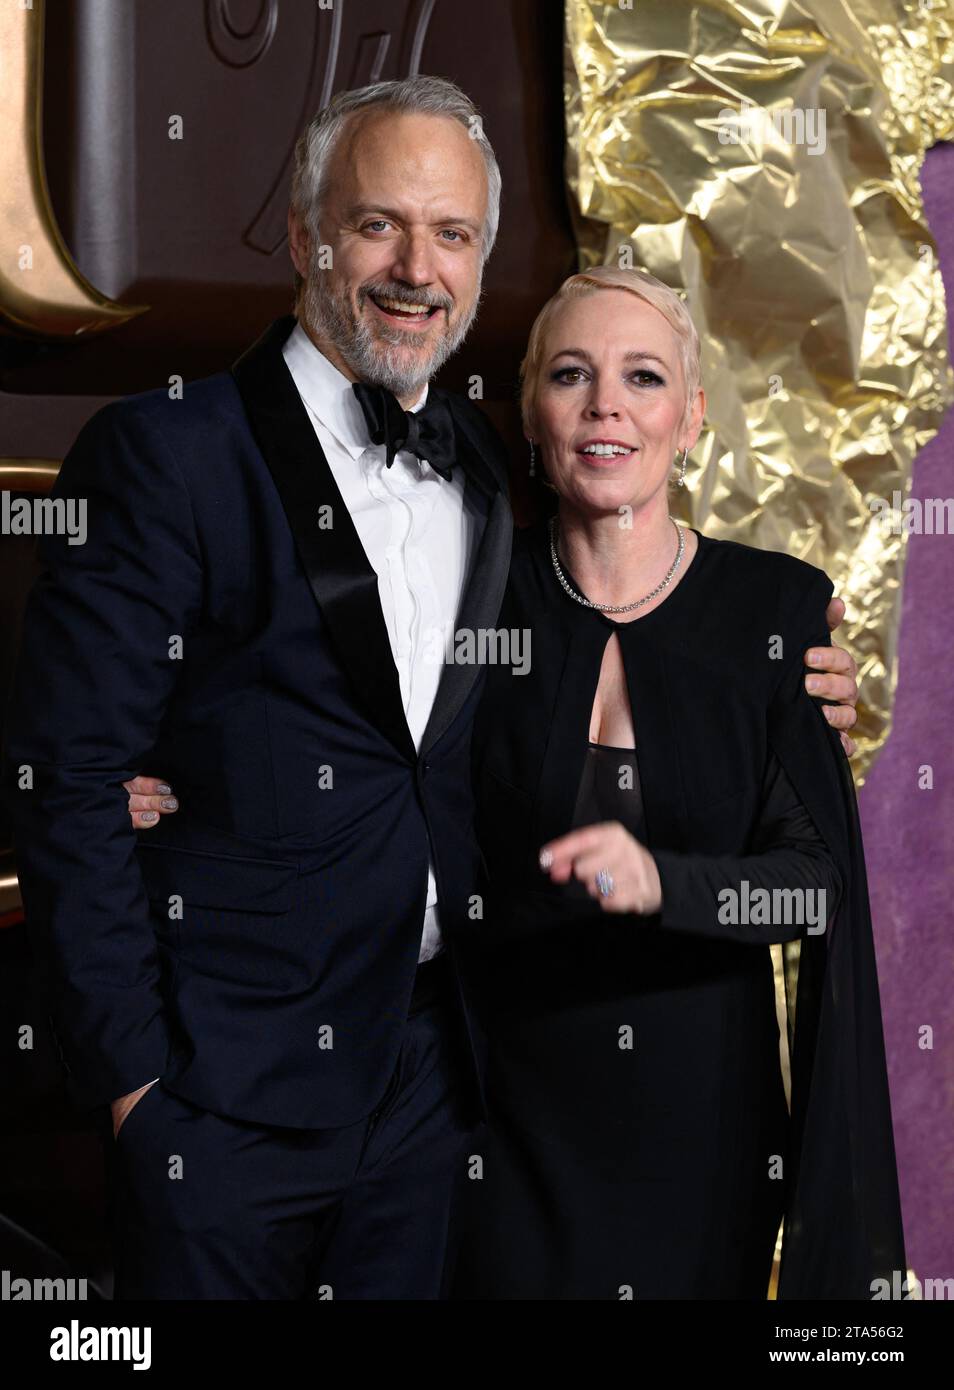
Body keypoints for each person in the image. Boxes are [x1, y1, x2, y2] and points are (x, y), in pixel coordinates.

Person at [3, 77, 859, 1301]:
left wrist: (790, 685)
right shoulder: (166, 452)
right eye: (377, 225)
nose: (417, 266)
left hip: (438, 1097)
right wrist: (140, 1092)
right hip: (219, 1098)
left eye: (451, 234)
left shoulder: (478, 478)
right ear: (306, 236)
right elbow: (69, 781)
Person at [446, 266, 906, 1299]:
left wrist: (663, 883)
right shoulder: (473, 597)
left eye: (643, 377)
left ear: (690, 418)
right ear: (533, 411)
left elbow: (812, 886)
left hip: (703, 1143)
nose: (607, 403)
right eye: (573, 374)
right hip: (501, 1127)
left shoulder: (774, 611)